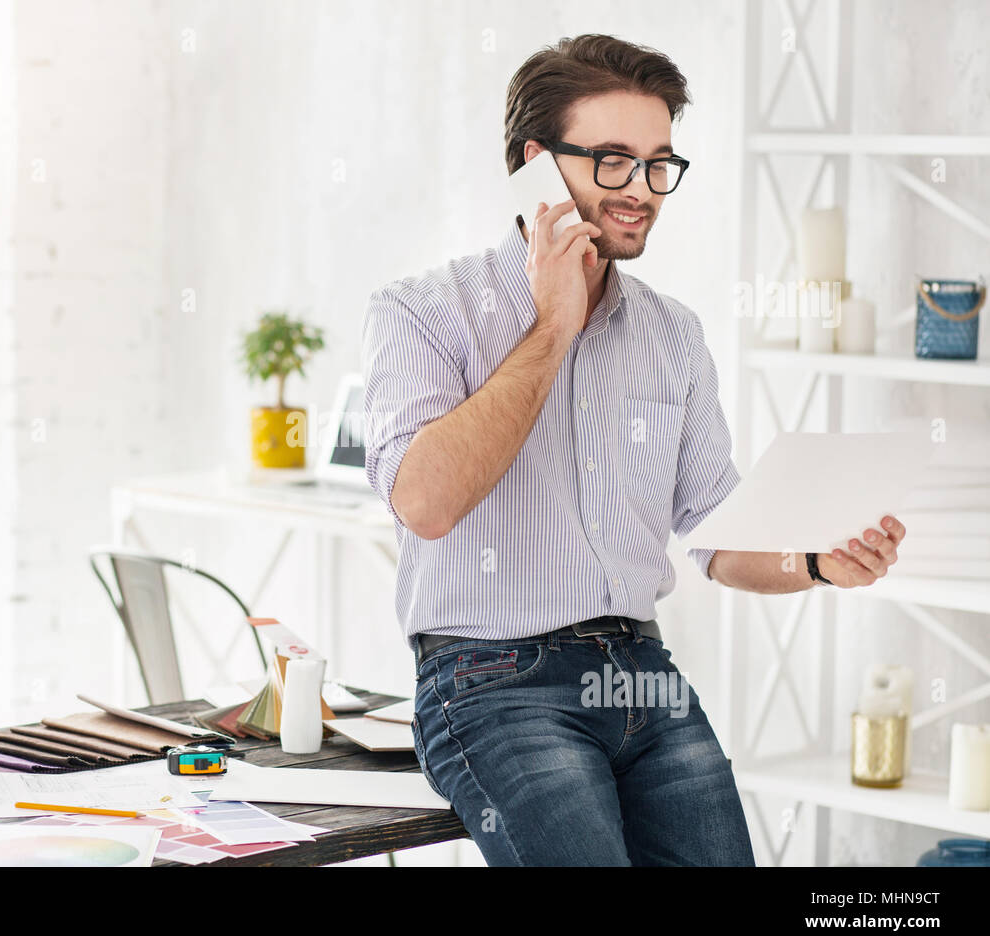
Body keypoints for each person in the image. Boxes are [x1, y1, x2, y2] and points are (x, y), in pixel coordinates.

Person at [361, 34, 907, 866]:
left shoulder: (671, 334)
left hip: (643, 671)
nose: (642, 191)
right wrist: (554, 324)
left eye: (659, 164)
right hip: (490, 682)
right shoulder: (423, 314)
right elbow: (425, 504)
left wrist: (818, 562)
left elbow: (720, 538)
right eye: (613, 161)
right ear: (535, 165)